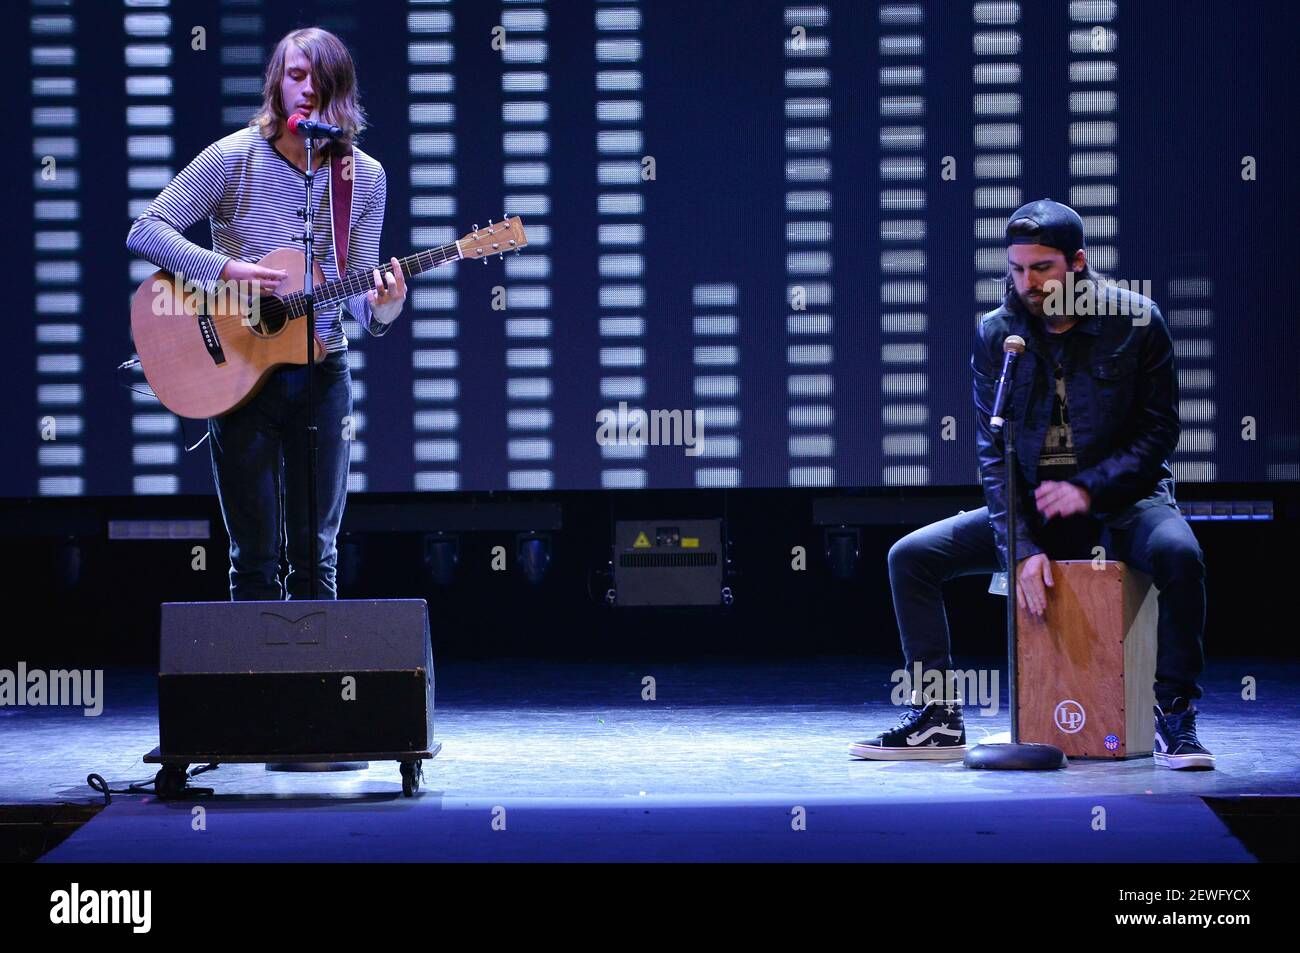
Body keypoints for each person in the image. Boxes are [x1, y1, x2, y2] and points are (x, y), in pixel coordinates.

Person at [850, 199, 1213, 770]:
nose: (1028, 283)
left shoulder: (1136, 322)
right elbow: (993, 454)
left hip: (1123, 503)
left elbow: (1158, 433)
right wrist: (1019, 548)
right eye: (1017, 269)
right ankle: (939, 717)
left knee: (1180, 554)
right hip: (1036, 508)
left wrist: (1090, 489)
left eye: (1041, 268)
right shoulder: (998, 335)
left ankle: (1172, 714)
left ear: (1077, 264)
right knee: (911, 556)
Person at [127, 27, 407, 601]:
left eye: (321, 81)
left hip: (322, 376)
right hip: (238, 370)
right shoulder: (235, 157)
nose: (307, 91)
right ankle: (254, 690)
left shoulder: (364, 176)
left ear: (341, 92)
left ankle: (322, 687)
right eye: (296, 76)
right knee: (252, 559)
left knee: (317, 559)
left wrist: (386, 306)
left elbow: (357, 286)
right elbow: (147, 230)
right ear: (277, 83)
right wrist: (226, 272)